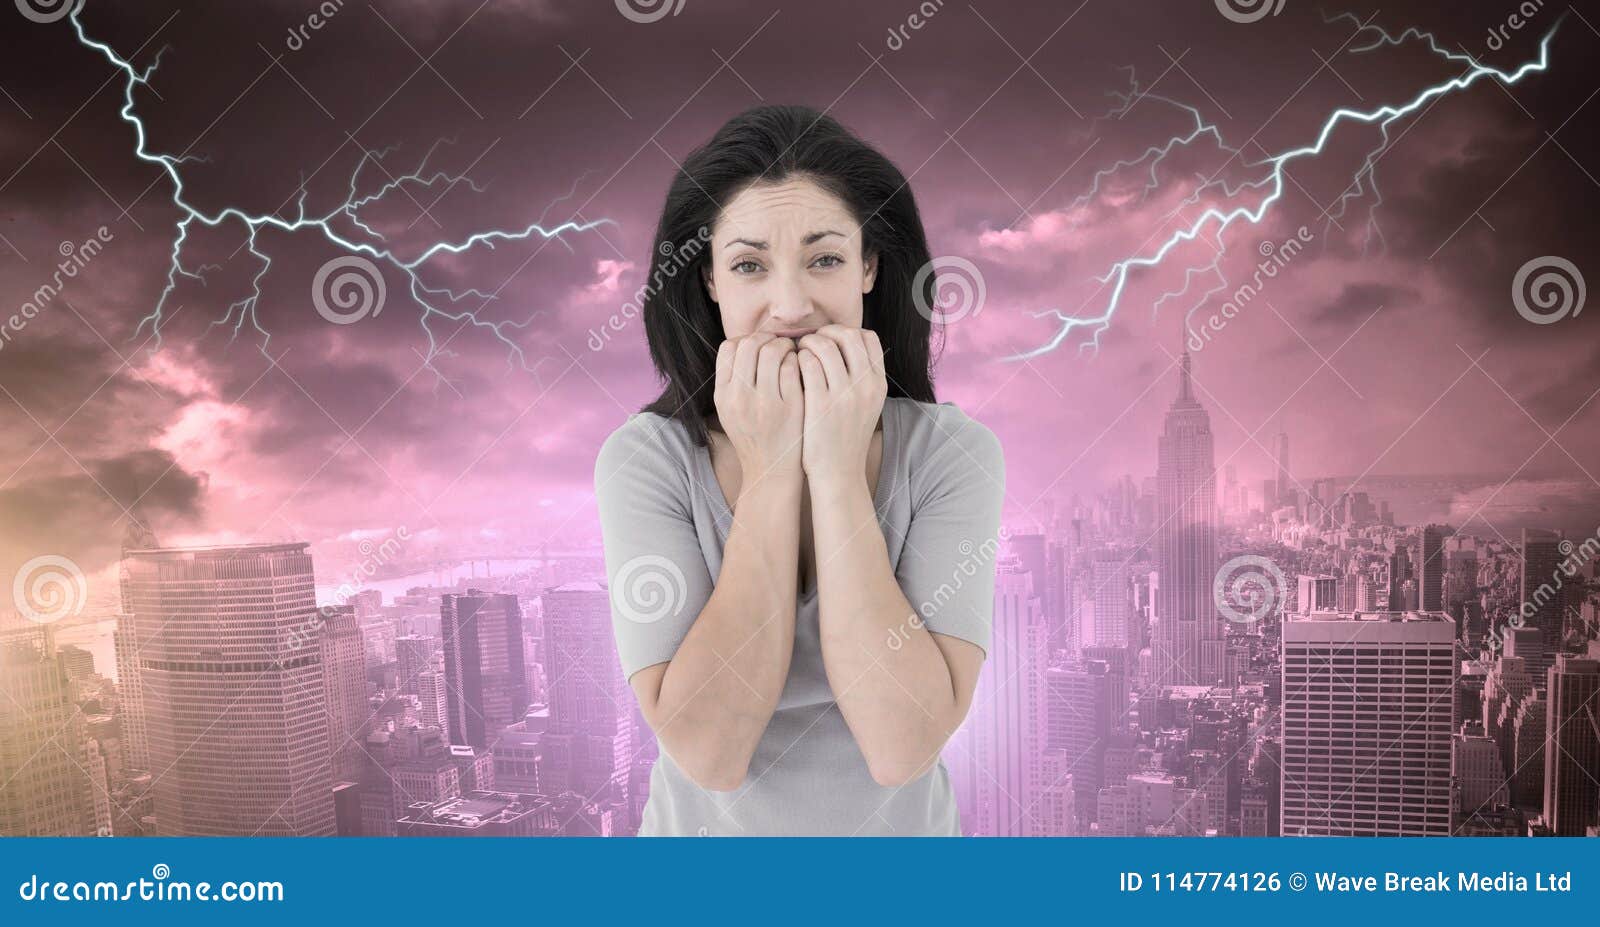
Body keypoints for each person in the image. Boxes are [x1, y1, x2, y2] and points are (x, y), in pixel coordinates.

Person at [594, 103, 1005, 836]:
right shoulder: (645, 460)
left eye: (824, 259)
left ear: (870, 268)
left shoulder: (952, 453)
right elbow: (709, 753)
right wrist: (774, 466)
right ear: (711, 282)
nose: (790, 306)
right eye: (749, 265)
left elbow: (902, 745)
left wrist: (839, 472)